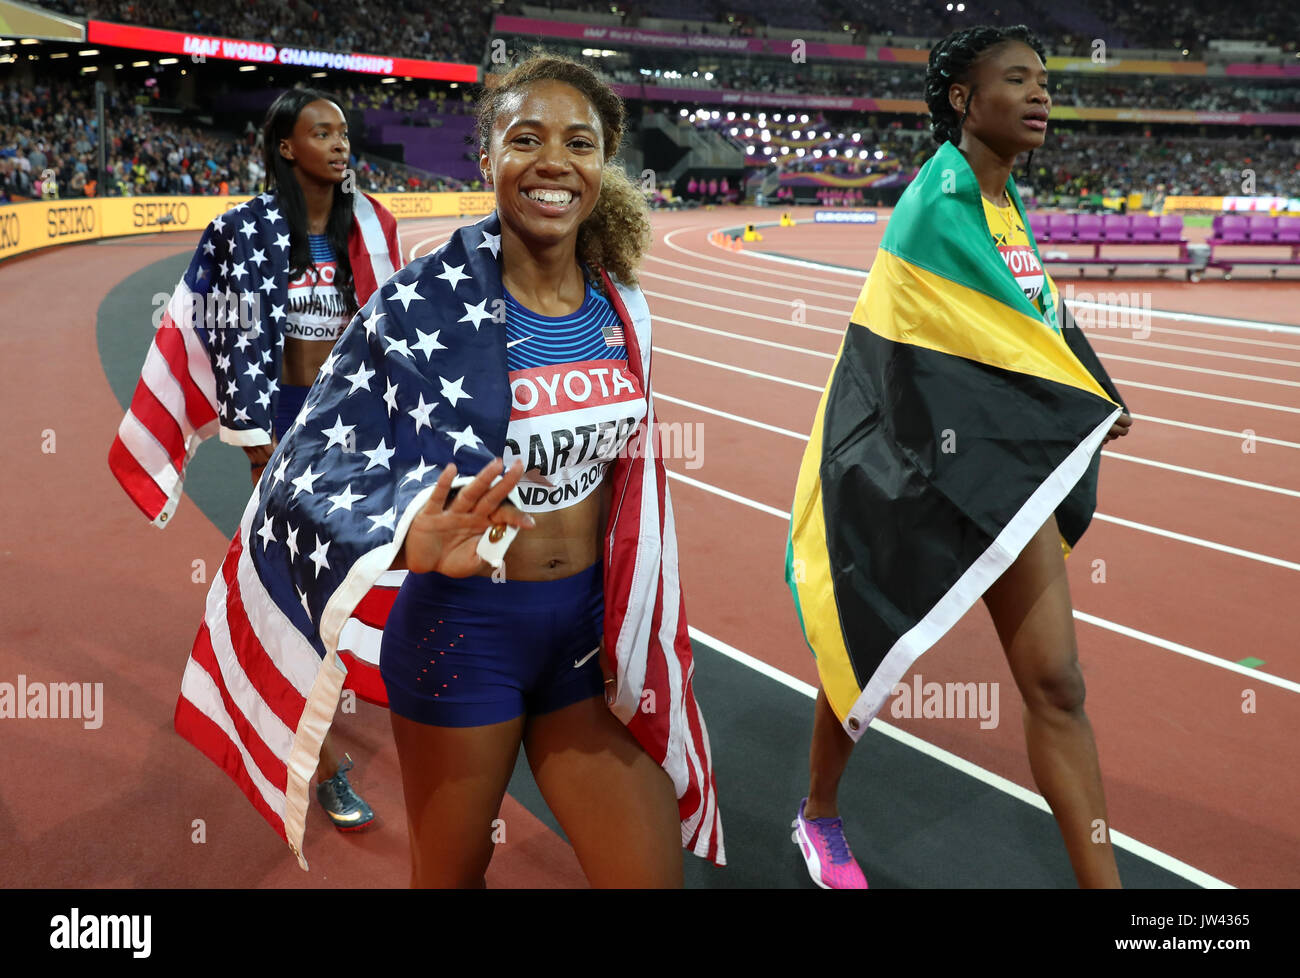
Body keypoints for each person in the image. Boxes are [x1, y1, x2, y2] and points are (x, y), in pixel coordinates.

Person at [166, 53, 724, 883]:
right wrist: (401, 534)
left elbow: (632, 484)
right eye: (525, 137)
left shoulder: (625, 306)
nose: (552, 161)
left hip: (585, 635)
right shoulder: (416, 302)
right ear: (489, 156)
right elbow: (303, 467)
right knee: (451, 878)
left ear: (603, 165)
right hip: (461, 633)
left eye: (579, 142)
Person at [787, 24, 1133, 889]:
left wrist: (1093, 385)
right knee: (866, 642)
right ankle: (818, 813)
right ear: (962, 101)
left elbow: (1035, 321)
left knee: (1057, 684)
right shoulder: (939, 201)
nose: (1041, 94)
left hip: (1001, 472)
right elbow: (943, 349)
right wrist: (1071, 399)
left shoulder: (1002, 203)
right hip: (909, 464)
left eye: (1045, 80)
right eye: (1017, 80)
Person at [110, 87, 404, 834]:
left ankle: (336, 699)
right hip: (279, 438)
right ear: (285, 146)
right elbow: (216, 338)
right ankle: (325, 765)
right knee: (295, 593)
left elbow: (396, 337)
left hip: (354, 435)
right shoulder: (241, 233)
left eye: (344, 132)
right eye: (321, 132)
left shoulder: (372, 228)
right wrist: (257, 445)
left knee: (359, 585)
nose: (340, 144)